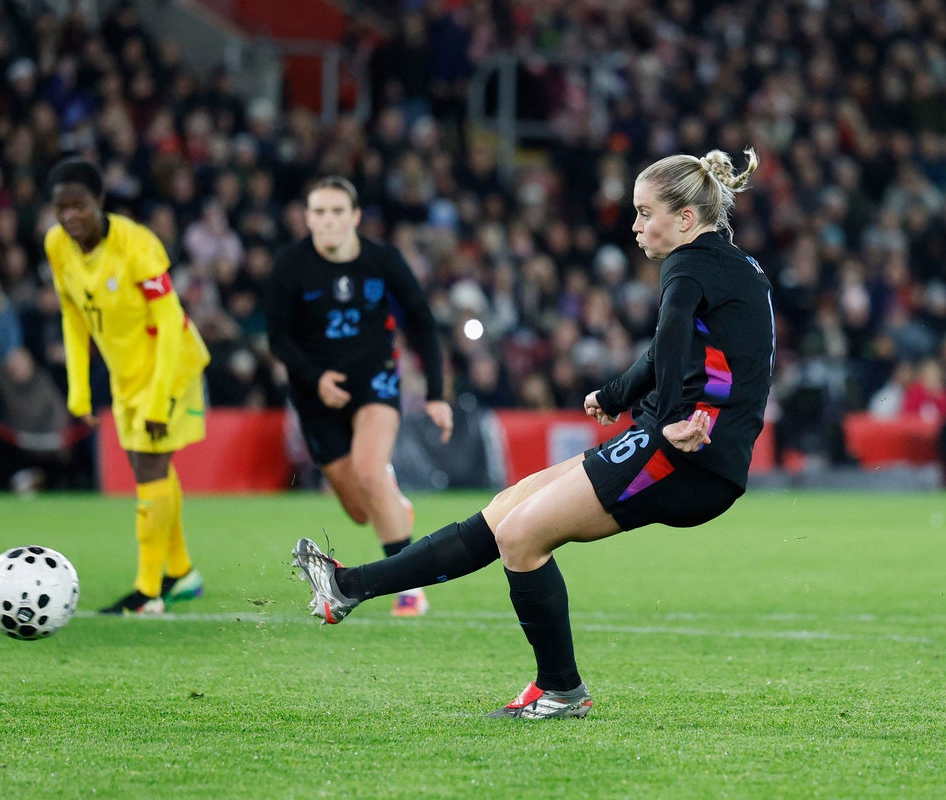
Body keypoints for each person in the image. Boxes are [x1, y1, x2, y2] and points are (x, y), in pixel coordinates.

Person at [292, 148, 773, 718]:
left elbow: (671, 341)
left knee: (521, 537)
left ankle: (561, 690)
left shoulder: (686, 265)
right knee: (506, 509)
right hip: (685, 445)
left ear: (686, 219)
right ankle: (348, 587)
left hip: (686, 454)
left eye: (646, 213)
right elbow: (685, 348)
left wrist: (668, 416)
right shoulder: (733, 264)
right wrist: (618, 396)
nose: (637, 225)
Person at [266, 176, 453, 617]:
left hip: (376, 380)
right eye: (319, 212)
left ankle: (410, 585)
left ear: (353, 217)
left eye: (336, 212)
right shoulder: (290, 265)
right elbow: (277, 338)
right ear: (307, 218)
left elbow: (424, 324)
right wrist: (315, 379)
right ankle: (391, 500)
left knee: (370, 474)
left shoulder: (381, 260)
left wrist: (436, 394)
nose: (327, 221)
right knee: (358, 508)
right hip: (314, 394)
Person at [44, 158, 210, 615]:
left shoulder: (138, 244)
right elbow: (73, 316)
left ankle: (147, 591)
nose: (70, 216)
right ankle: (181, 572)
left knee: (150, 468)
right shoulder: (57, 246)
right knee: (148, 468)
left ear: (100, 202)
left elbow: (171, 322)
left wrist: (159, 402)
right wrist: (78, 389)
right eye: (61, 208)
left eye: (79, 206)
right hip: (126, 373)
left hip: (170, 366)